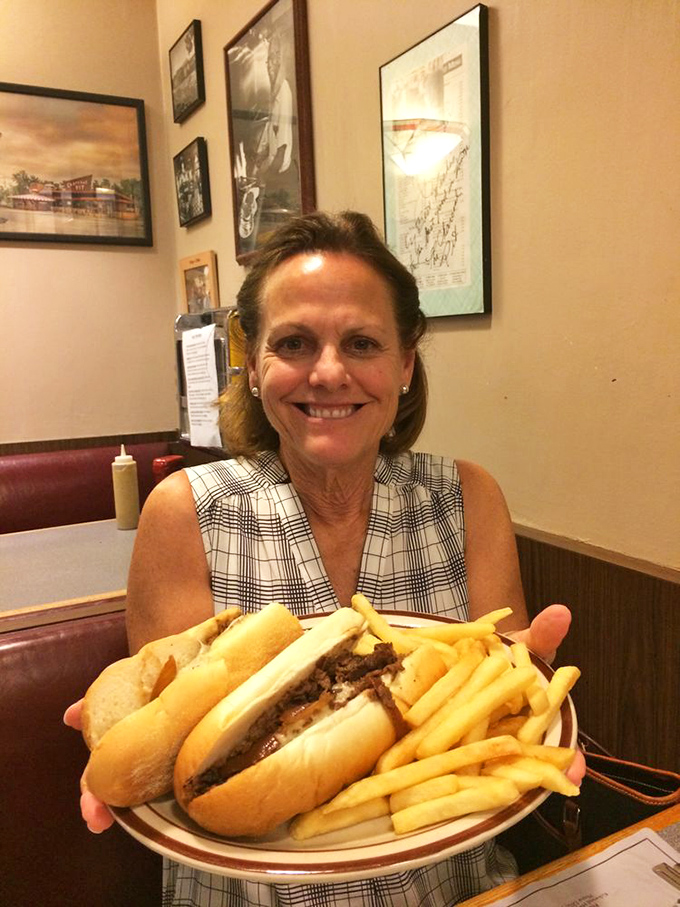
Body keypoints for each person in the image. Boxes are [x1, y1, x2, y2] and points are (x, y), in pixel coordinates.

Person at [65, 210, 585, 906]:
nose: (330, 371)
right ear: (255, 369)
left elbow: (510, 692)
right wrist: (126, 756)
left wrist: (531, 710)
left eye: (362, 343)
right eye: (295, 343)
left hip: (451, 888)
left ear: (405, 365)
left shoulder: (468, 497)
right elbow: (173, 753)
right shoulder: (184, 510)